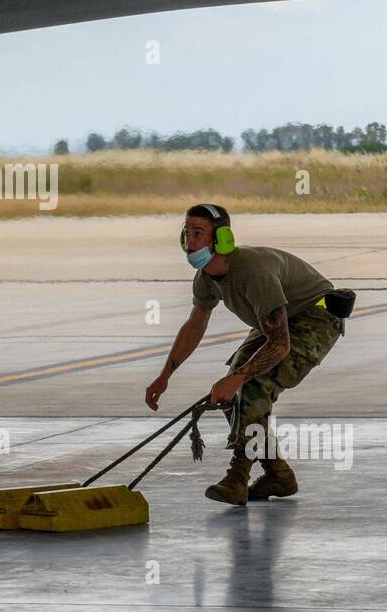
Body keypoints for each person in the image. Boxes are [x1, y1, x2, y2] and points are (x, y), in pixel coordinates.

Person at [144, 203, 348, 505]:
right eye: (187, 233)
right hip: (279, 321)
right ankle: (277, 474)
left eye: (198, 233)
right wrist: (165, 376)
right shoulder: (206, 278)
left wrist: (237, 379)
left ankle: (238, 477)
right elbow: (195, 325)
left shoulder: (253, 272)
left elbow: (280, 345)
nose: (190, 241)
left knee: (250, 386)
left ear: (222, 239)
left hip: (315, 316)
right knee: (231, 392)